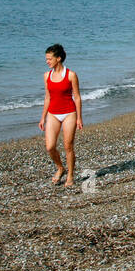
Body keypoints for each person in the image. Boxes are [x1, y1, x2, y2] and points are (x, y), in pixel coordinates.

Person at [38, 43, 82, 186]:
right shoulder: (46, 76)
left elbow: (77, 96)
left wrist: (79, 118)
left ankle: (70, 175)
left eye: (49, 59)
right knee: (50, 147)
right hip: (53, 114)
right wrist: (43, 117)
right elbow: (47, 97)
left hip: (69, 113)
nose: (47, 61)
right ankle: (60, 168)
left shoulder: (71, 75)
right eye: (46, 59)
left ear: (58, 58)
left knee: (68, 146)